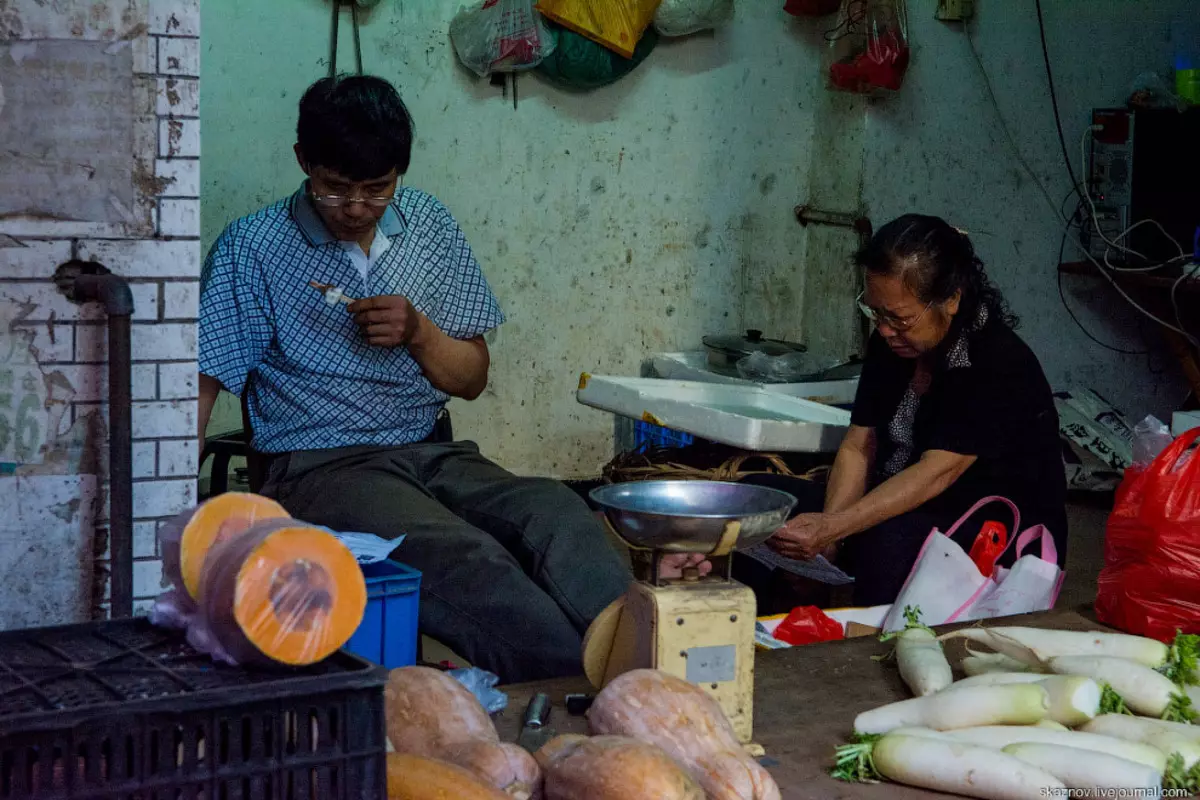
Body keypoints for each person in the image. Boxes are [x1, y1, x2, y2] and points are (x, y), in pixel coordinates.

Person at [196, 74, 704, 683]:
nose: (355, 208)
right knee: (469, 557)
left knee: (554, 511)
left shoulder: (429, 227)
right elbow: (200, 389)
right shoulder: (251, 248)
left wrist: (420, 333)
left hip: (434, 450)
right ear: (304, 162)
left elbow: (471, 380)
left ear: (399, 174)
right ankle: (585, 689)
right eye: (335, 189)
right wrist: (169, 524)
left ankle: (651, 668)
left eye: (376, 189)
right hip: (321, 466)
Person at [748, 214, 1067, 607]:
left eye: (899, 318)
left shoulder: (995, 361)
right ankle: (771, 634)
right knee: (764, 507)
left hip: (993, 523)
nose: (884, 330)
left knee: (887, 542)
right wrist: (828, 538)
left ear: (952, 299)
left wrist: (834, 528)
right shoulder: (892, 344)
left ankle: (861, 652)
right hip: (909, 494)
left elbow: (937, 473)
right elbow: (857, 445)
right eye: (875, 313)